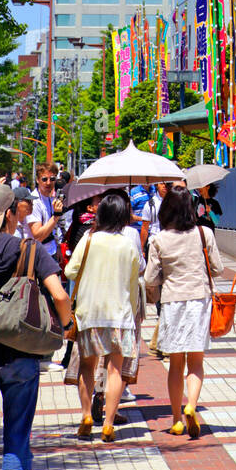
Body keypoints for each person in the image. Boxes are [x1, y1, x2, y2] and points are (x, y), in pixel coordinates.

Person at [0, 186, 73, 470]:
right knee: (16, 443)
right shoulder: (29, 250)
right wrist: (68, 326)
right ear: (10, 214)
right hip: (20, 357)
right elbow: (59, 295)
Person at [144, 187, 224, 439]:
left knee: (175, 363)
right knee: (196, 361)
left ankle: (177, 418)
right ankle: (192, 405)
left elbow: (150, 277)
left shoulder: (159, 239)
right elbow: (218, 269)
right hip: (199, 300)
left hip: (172, 302)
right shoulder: (204, 233)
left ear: (166, 209)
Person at [64, 190, 140, 445]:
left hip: (90, 313)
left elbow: (70, 270)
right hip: (119, 315)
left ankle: (87, 416)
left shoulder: (88, 239)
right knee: (115, 369)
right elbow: (132, 285)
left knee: (87, 366)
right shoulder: (128, 244)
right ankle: (108, 423)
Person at [28, 164, 63, 260]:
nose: (48, 183)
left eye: (52, 179)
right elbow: (38, 236)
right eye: (44, 179)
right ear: (37, 180)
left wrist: (58, 246)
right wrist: (56, 216)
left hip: (52, 249)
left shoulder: (50, 198)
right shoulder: (34, 201)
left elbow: (54, 228)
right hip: (38, 254)